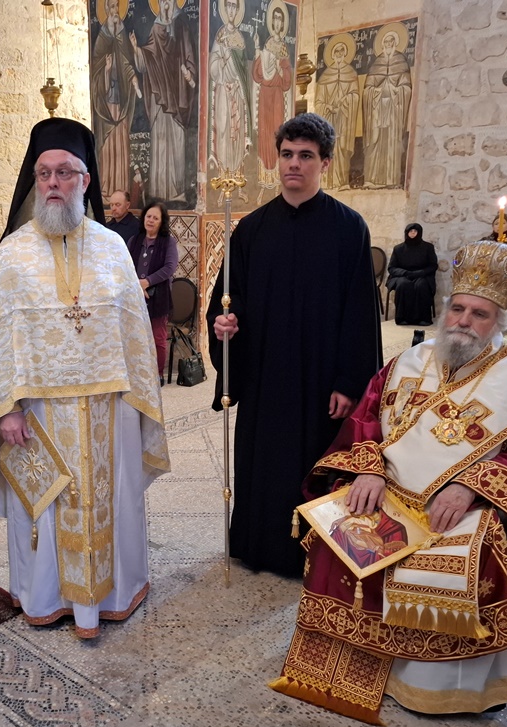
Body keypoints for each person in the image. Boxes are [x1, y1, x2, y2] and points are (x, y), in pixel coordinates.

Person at [271, 239, 507, 723]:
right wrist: (368, 467)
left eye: (479, 314)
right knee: (339, 530)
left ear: (500, 323)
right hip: (387, 490)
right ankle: (353, 663)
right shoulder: (407, 364)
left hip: (463, 504)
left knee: (463, 561)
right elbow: (366, 419)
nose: (463, 322)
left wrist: (474, 485)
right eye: (458, 309)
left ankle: (429, 683)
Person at [0, 118, 170, 639]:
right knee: (46, 507)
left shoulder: (112, 248)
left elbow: (134, 337)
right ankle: (46, 598)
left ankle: (113, 595)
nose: (53, 183)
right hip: (36, 415)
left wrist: (139, 404)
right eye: (44, 174)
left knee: (112, 500)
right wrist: (6, 410)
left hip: (110, 411)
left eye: (64, 172)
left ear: (86, 180)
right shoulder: (11, 252)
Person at [206, 113, 382, 578]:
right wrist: (225, 324)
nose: (294, 164)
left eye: (306, 156)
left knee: (315, 462)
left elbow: (360, 313)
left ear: (324, 162)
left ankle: (316, 553)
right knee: (262, 464)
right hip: (266, 375)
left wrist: (350, 381)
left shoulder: (349, 228)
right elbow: (228, 296)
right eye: (287, 154)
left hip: (321, 378)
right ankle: (256, 545)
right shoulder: (252, 229)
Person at [131, 0, 197, 202]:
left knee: (176, 141)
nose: (165, 3)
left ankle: (178, 191)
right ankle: (159, 190)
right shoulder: (155, 27)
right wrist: (137, 50)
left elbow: (188, 56)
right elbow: (148, 59)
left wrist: (189, 75)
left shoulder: (181, 26)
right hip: (159, 96)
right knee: (159, 141)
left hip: (177, 94)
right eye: (162, 0)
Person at [91, 0, 141, 199]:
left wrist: (134, 82)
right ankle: (106, 188)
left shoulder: (122, 35)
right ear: (106, 10)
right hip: (106, 104)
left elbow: (127, 63)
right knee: (108, 146)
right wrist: (107, 69)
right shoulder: (102, 37)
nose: (115, 12)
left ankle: (121, 188)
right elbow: (95, 67)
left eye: (117, 8)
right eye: (111, 8)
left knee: (121, 144)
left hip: (120, 101)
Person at [127, 200, 179, 378]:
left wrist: (147, 282)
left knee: (158, 339)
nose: (150, 220)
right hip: (134, 296)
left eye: (155, 218)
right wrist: (137, 285)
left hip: (159, 298)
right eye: (148, 216)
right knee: (135, 337)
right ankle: (138, 374)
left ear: (161, 222)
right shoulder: (134, 240)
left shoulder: (168, 242)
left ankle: (157, 375)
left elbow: (170, 267)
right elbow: (125, 266)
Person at [362, 28, 412, 188]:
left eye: (391, 42)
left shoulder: (401, 62)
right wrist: (375, 91)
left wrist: (394, 90)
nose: (388, 44)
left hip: (393, 113)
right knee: (375, 143)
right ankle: (371, 179)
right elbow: (367, 89)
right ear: (382, 45)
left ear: (395, 43)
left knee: (391, 144)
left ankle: (391, 180)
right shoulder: (376, 63)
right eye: (386, 42)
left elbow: (407, 88)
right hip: (376, 112)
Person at [208, 0, 253, 178]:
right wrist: (223, 61)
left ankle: (236, 175)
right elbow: (213, 66)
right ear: (225, 9)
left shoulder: (240, 39)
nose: (232, 10)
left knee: (237, 134)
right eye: (229, 6)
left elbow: (244, 70)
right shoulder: (220, 36)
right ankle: (223, 174)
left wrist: (239, 86)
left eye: (235, 6)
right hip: (223, 92)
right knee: (224, 129)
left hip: (237, 92)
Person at [253, 1, 293, 189]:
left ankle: (277, 179)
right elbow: (258, 74)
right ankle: (263, 179)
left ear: (283, 24)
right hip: (265, 96)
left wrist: (280, 67)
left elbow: (287, 82)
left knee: (276, 133)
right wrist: (257, 50)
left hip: (277, 97)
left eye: (280, 19)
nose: (277, 23)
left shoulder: (284, 49)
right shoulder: (267, 45)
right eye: (274, 19)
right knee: (264, 133)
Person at [314, 35, 359, 189]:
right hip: (328, 119)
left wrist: (345, 101)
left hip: (343, 119)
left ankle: (341, 181)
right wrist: (327, 107)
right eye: (336, 51)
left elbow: (355, 96)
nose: (339, 54)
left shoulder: (350, 73)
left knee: (340, 149)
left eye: (342, 51)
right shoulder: (325, 76)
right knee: (327, 148)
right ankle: (326, 183)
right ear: (332, 54)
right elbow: (318, 102)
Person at [386, 222, 437, 326]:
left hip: (422, 275)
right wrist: (405, 272)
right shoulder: (398, 248)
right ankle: (402, 318)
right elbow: (391, 267)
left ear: (419, 233)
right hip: (403, 275)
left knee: (421, 286)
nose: (413, 233)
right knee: (403, 285)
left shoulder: (428, 247)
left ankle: (423, 318)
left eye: (415, 231)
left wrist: (420, 273)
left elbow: (433, 265)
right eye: (411, 231)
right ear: (407, 233)